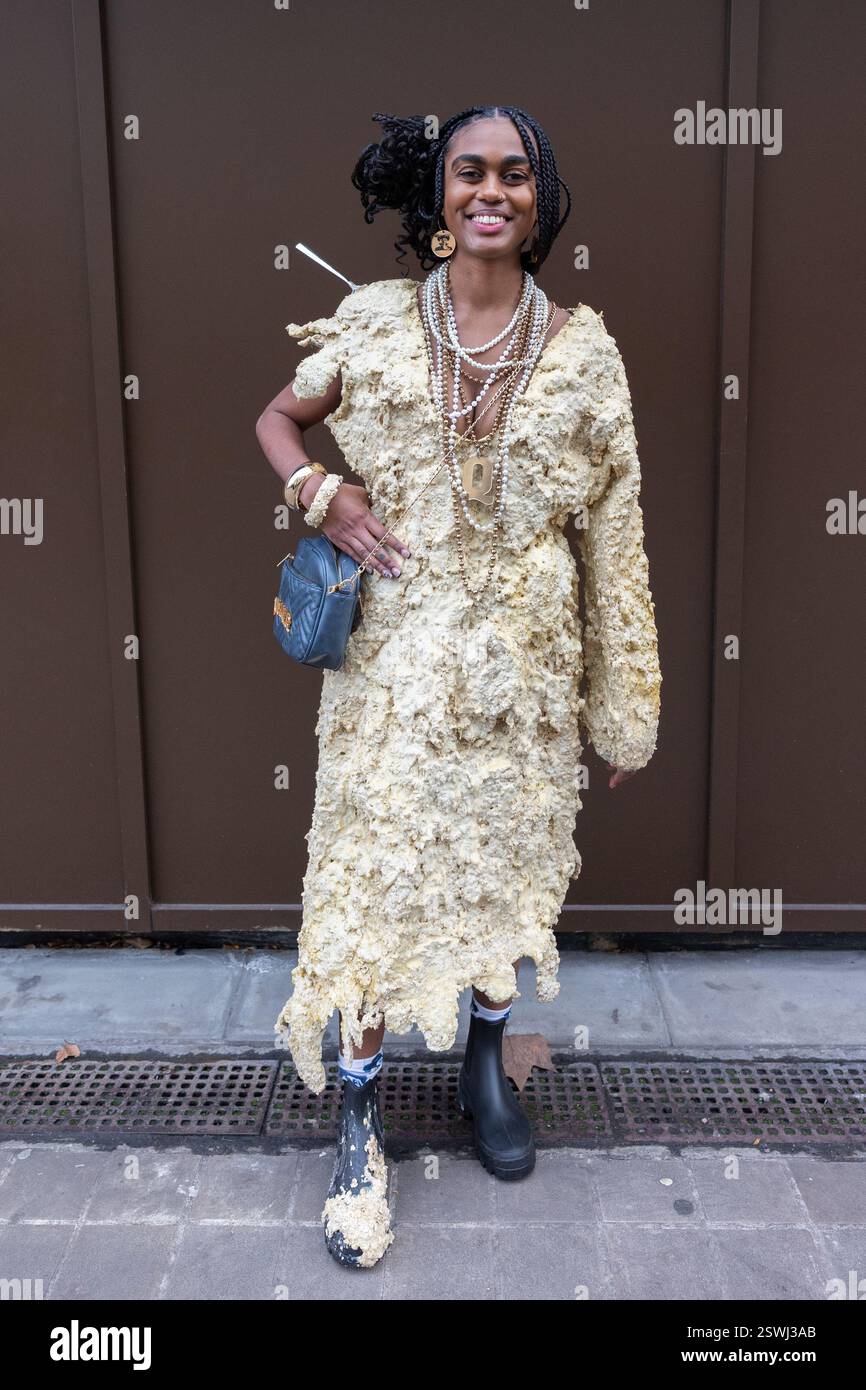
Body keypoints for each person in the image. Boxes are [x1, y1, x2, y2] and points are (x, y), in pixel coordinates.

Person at [254, 105, 661, 1270]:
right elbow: (279, 419)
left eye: (514, 174)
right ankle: (358, 1124)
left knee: (499, 870)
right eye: (469, 173)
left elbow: (613, 537)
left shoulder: (585, 351)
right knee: (376, 889)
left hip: (523, 683)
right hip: (392, 673)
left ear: (539, 199)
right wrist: (319, 495)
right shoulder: (374, 325)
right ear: (437, 199)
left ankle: (486, 1070)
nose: (492, 190)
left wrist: (619, 698)